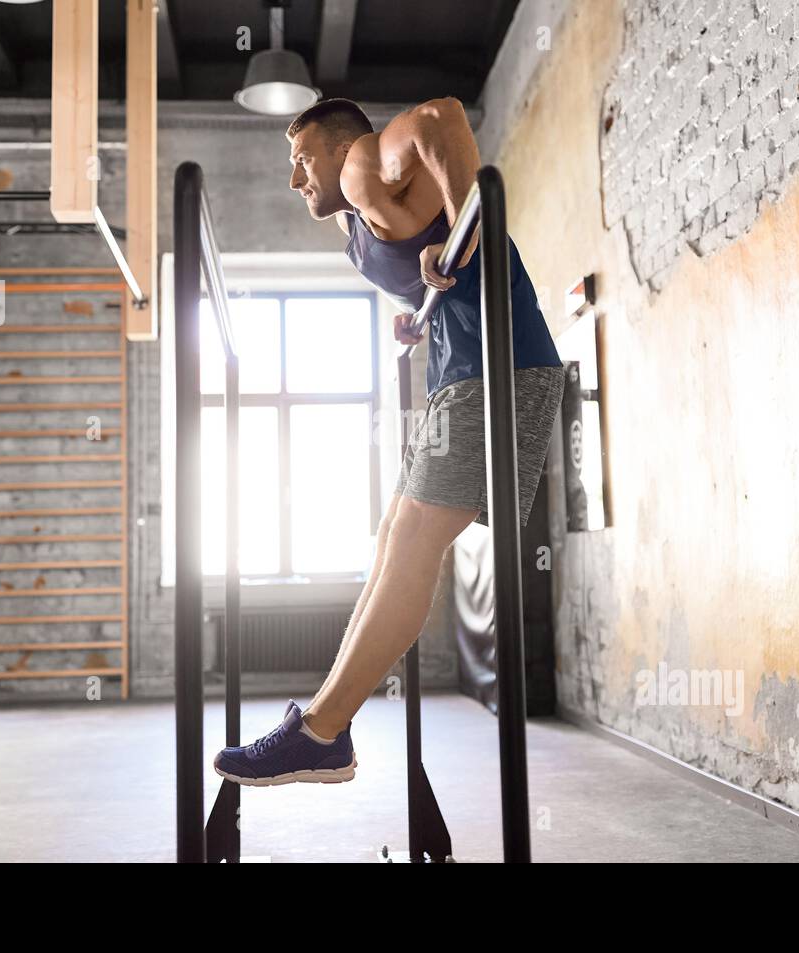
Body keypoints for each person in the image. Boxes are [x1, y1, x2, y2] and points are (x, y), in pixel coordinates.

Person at [213, 97, 563, 786]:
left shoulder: (359, 168)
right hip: (458, 373)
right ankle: (323, 725)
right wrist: (419, 309)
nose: (295, 180)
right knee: (392, 541)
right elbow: (432, 255)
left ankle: (319, 731)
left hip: (498, 367)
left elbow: (443, 120)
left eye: (300, 159)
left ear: (338, 145)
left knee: (410, 543)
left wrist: (472, 227)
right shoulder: (361, 216)